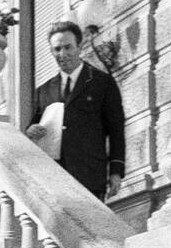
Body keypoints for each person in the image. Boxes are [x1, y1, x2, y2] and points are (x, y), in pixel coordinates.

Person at [26, 20, 126, 201]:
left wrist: (116, 171)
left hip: (89, 176)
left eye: (68, 47)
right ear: (51, 51)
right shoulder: (44, 90)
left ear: (79, 47)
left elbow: (116, 130)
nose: (62, 54)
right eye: (57, 49)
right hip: (53, 178)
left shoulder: (102, 83)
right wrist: (30, 130)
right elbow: (34, 124)